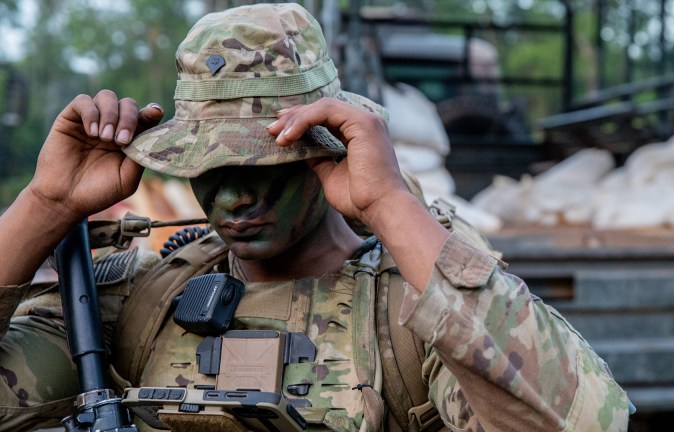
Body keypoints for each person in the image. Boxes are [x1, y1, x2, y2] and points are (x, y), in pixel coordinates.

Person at [0, 3, 631, 431]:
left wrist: (388, 205)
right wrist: (45, 206)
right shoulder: (143, 300)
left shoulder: (411, 310)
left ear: (324, 149)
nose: (229, 202)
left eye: (260, 168)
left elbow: (579, 419)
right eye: (207, 171)